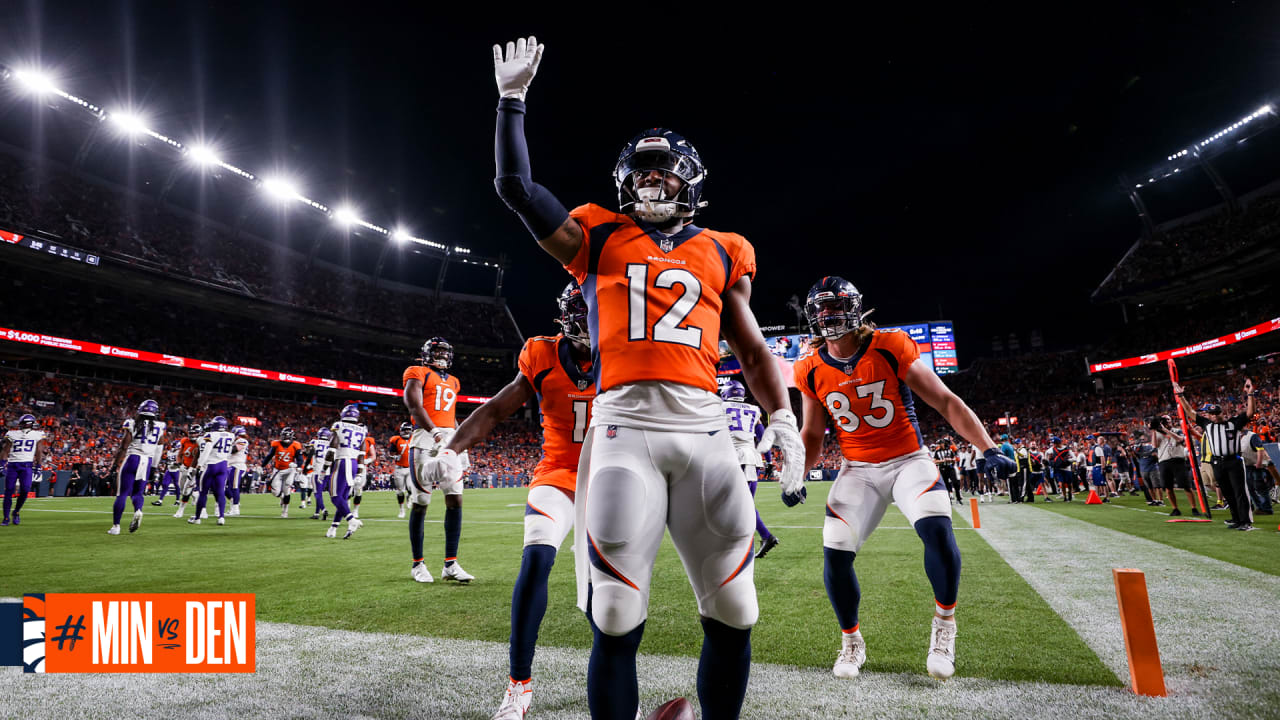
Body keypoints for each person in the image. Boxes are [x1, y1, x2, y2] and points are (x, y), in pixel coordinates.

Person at [491, 35, 805, 720]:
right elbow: (516, 189)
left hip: (705, 429)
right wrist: (511, 103)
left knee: (735, 607)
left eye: (663, 171)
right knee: (613, 613)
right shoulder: (597, 235)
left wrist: (783, 419)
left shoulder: (726, 248)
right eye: (641, 171)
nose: (650, 180)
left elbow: (749, 344)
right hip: (623, 429)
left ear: (690, 178)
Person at [792, 276, 1015, 681]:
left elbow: (945, 399)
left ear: (855, 308)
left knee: (937, 528)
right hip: (858, 468)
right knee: (836, 549)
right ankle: (851, 641)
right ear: (811, 317)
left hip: (907, 460)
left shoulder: (889, 345)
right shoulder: (807, 366)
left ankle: (944, 628)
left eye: (836, 305)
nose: (829, 315)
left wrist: (988, 447)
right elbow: (811, 432)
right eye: (821, 309)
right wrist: (798, 474)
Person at [423, 281, 596, 720]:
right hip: (556, 474)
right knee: (536, 559)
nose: (591, 322)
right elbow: (496, 409)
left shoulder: (627, 353)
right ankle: (519, 685)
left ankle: (615, 691)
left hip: (610, 479)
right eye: (583, 313)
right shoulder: (540, 354)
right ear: (565, 319)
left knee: (612, 586)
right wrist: (450, 450)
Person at [403, 336, 474, 582]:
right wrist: (434, 432)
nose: (442, 356)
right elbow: (414, 406)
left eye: (445, 352)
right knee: (421, 502)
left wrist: (461, 443)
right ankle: (417, 564)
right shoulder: (417, 371)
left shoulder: (454, 381)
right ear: (426, 353)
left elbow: (452, 415)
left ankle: (450, 564)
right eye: (438, 352)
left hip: (449, 440)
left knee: (455, 500)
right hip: (424, 438)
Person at [1174, 378, 1257, 530]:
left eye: (1216, 413)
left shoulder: (1233, 423)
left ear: (1221, 413)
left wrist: (1250, 394)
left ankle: (1246, 521)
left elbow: (1250, 412)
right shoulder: (1207, 425)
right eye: (1211, 414)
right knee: (1227, 492)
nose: (1213, 416)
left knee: (1239, 492)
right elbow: (1190, 412)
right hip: (1217, 462)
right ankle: (1236, 519)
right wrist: (1181, 396)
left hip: (1234, 461)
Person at [720, 379, 779, 558]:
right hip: (752, 459)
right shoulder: (754, 410)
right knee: (743, 505)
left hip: (734, 459)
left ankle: (754, 539)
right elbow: (763, 438)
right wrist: (769, 462)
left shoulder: (718, 408)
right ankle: (763, 537)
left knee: (735, 505)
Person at [106, 400, 166, 535]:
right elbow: (159, 449)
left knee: (122, 494)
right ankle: (138, 510)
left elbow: (123, 447)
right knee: (138, 492)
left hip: (133, 458)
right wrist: (154, 467)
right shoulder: (160, 426)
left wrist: (115, 464)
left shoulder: (132, 423)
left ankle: (116, 526)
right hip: (148, 460)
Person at [324, 405, 367, 539]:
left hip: (342, 461)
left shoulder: (339, 425)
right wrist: (359, 473)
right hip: (354, 463)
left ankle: (351, 520)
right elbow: (362, 454)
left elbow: (332, 449)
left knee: (334, 496)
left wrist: (324, 469)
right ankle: (333, 528)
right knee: (342, 498)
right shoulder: (362, 430)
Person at [2, 413, 50, 526]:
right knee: (8, 491)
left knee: (25, 489)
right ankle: (6, 517)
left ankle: (16, 511)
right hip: (13, 465)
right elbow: (6, 450)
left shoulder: (37, 435)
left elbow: (39, 451)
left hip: (27, 465)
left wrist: (38, 466)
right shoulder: (12, 434)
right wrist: (2, 463)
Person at [190, 416, 234, 526]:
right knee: (220, 492)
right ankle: (221, 517)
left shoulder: (210, 435)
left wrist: (199, 465)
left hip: (211, 465)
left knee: (203, 493)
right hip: (223, 465)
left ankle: (197, 518)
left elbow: (206, 451)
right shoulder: (231, 435)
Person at [262, 427, 306, 519]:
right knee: (275, 492)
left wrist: (298, 466)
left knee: (287, 490)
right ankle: (281, 496)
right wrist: (263, 465)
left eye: (287, 436)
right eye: (284, 436)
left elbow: (299, 458)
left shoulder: (296, 445)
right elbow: (270, 455)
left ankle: (285, 511)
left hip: (290, 470)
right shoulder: (276, 444)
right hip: (278, 469)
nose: (285, 438)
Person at [172, 423, 203, 518]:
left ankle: (181, 510)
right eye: (191, 433)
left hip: (194, 469)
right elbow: (180, 454)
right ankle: (194, 494)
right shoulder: (185, 441)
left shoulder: (202, 443)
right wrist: (180, 464)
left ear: (199, 433)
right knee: (182, 489)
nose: (192, 435)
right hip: (184, 467)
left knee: (186, 490)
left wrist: (197, 468)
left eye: (194, 433)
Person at [305, 428, 333, 521]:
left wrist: (305, 466)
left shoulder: (315, 442)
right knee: (320, 494)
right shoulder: (331, 444)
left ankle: (323, 510)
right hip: (327, 472)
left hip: (317, 471)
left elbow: (310, 455)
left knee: (317, 494)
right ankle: (316, 513)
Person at [388, 422, 413, 519]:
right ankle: (402, 509)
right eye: (405, 429)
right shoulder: (396, 440)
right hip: (399, 468)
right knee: (400, 491)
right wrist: (394, 456)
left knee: (411, 488)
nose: (407, 431)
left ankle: (409, 497)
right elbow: (390, 453)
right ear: (401, 430)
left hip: (410, 468)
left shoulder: (414, 439)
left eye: (408, 429)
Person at [226, 426, 249, 516]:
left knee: (234, 486)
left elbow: (234, 450)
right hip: (231, 466)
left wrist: (224, 448)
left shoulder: (242, 440)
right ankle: (234, 503)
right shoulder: (236, 441)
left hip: (237, 465)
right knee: (226, 488)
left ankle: (235, 508)